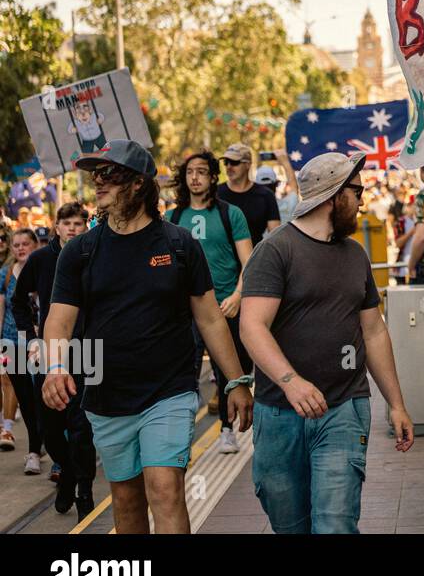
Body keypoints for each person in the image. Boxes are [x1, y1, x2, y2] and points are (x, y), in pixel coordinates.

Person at [43, 140, 252, 534]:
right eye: (95, 175)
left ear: (138, 184)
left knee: (165, 488)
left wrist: (237, 382)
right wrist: (55, 367)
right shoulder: (80, 252)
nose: (98, 182)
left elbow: (209, 319)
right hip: (107, 396)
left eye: (109, 174)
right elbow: (58, 322)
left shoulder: (178, 244)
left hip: (168, 391)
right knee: (126, 499)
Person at [240, 151, 414, 534]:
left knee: (335, 525)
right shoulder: (275, 250)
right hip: (280, 415)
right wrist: (291, 382)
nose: (362, 199)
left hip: (344, 409)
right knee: (290, 525)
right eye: (356, 190)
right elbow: (253, 326)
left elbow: (374, 331)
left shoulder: (355, 255)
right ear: (334, 196)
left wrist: (396, 404)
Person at [171, 150, 255, 454]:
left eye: (202, 172)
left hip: (222, 306)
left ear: (212, 176)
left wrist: (237, 295)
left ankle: (227, 429)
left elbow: (249, 261)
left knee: (227, 371)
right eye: (190, 172)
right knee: (185, 374)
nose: (195, 178)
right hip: (185, 312)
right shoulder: (172, 217)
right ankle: (181, 435)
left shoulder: (229, 214)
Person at [12, 202, 94, 511]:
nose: (73, 228)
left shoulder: (93, 256)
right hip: (49, 350)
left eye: (78, 223)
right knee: (49, 425)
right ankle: (68, 471)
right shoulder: (40, 260)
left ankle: (84, 490)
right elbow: (19, 301)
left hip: (89, 350)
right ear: (56, 226)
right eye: (67, 223)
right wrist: (30, 338)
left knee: (82, 426)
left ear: (85, 227)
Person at [2, 227, 41, 471]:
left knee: (42, 396)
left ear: (35, 245)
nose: (20, 248)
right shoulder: (5, 274)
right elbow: (2, 308)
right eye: (16, 245)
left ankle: (45, 443)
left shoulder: (44, 269)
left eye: (25, 243)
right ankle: (34, 450)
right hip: (12, 343)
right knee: (25, 398)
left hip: (41, 344)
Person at [216, 143, 281, 245]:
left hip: (254, 258)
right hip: (221, 259)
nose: (229, 166)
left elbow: (275, 237)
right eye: (226, 162)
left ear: (248, 164)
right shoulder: (215, 193)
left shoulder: (266, 195)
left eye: (234, 162)